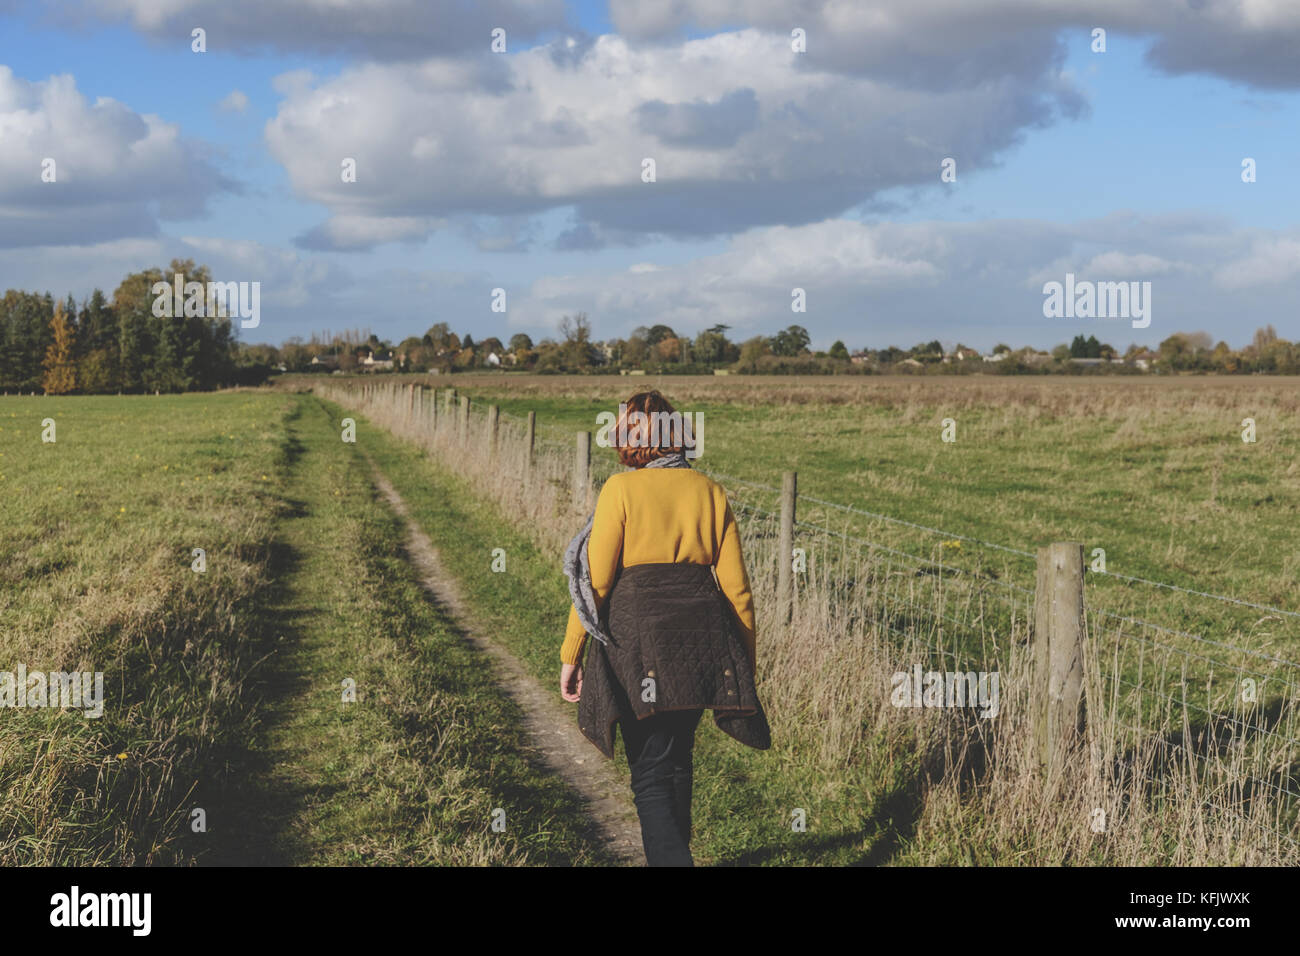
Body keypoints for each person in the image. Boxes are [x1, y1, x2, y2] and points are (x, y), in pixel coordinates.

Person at [560, 390, 770, 867]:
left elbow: (595, 583)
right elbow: (738, 593)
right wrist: (741, 666)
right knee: (677, 761)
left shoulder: (620, 490)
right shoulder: (710, 492)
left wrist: (572, 653)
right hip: (704, 644)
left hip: (640, 642)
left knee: (652, 771)